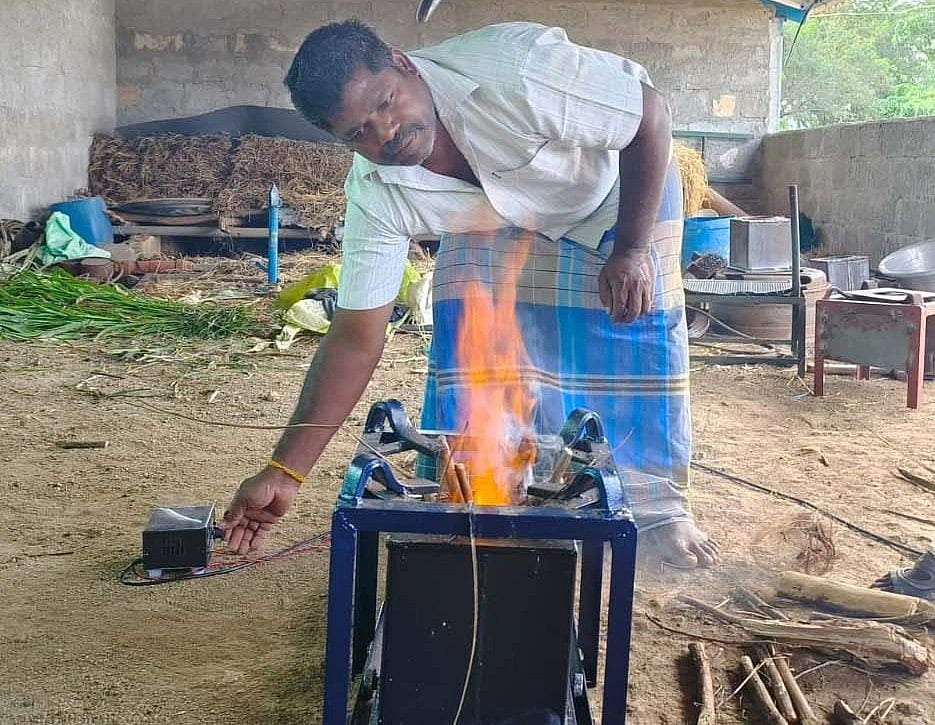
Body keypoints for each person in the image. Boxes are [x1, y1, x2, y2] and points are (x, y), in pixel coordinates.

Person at [222, 19, 719, 568]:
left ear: (403, 62)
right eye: (357, 132)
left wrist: (630, 250)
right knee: (471, 339)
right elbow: (355, 338)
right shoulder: (375, 191)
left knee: (634, 334)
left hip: (617, 188)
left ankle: (654, 513)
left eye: (387, 102)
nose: (384, 133)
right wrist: (284, 471)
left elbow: (652, 116)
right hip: (492, 216)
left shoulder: (517, 70)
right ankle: (478, 494)